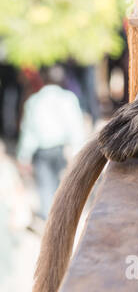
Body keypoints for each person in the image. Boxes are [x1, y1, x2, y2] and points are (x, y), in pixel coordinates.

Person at [17, 66, 86, 220]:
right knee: (61, 186)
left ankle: (48, 222)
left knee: (44, 188)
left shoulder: (34, 100)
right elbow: (75, 127)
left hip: (42, 151)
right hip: (61, 150)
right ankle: (59, 218)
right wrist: (77, 151)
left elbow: (28, 132)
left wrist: (23, 156)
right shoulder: (68, 98)